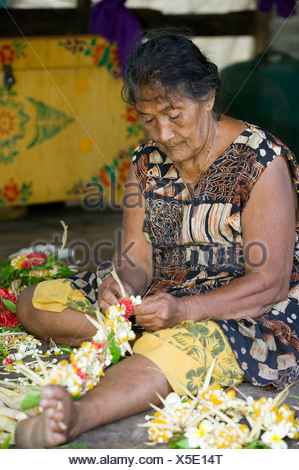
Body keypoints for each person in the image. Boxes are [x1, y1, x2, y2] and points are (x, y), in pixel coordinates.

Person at [15, 30, 299, 448]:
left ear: (207, 99)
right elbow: (136, 257)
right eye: (149, 119)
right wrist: (124, 287)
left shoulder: (261, 160)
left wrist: (185, 311)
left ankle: (78, 416)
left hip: (245, 307)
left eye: (174, 113)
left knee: (185, 342)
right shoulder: (146, 162)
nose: (163, 133)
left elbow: (269, 281)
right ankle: (153, 353)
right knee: (36, 302)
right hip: (166, 292)